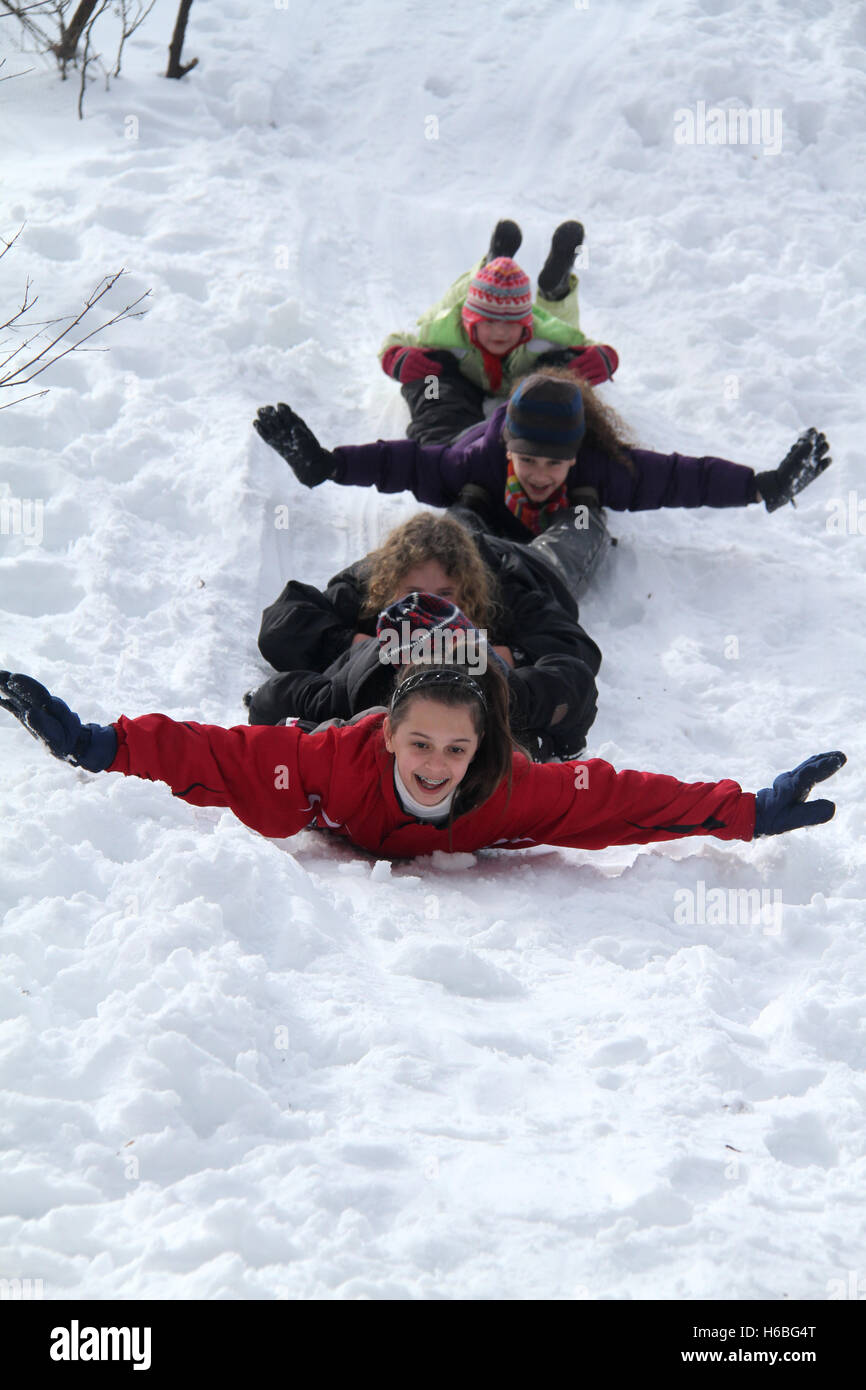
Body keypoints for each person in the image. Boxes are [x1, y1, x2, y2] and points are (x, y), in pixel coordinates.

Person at [0, 668, 844, 861]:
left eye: (456, 748)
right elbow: (215, 756)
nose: (437, 765)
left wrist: (752, 811)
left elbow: (619, 799)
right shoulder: (328, 760)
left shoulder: (508, 792)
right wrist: (94, 744)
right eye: (421, 744)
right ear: (389, 738)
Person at [253, 370, 833, 597]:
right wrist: (329, 464)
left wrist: (762, 485)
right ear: (508, 448)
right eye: (527, 461)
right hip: (480, 527)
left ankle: (532, 586)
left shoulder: (596, 468)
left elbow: (682, 476)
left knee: (583, 515)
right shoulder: (476, 459)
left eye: (553, 465)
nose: (538, 475)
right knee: (459, 514)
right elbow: (407, 463)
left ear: (574, 454)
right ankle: (453, 577)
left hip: (549, 553)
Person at [246, 511, 601, 760]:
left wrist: (500, 658)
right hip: (450, 538)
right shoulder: (374, 582)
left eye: (445, 596)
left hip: (534, 564)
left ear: (467, 594)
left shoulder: (505, 591)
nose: (428, 604)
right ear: (388, 588)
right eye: (412, 592)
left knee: (579, 528)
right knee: (467, 506)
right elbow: (283, 626)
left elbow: (575, 654)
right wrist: (362, 648)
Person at [379, 219, 619, 445]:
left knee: (563, 365)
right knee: (430, 380)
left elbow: (585, 346)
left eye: (511, 324)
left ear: (526, 325)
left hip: (530, 377)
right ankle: (447, 443)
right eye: (490, 323)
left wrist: (603, 359)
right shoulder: (444, 333)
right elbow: (399, 340)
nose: (500, 332)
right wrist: (397, 357)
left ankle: (555, 291)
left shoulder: (543, 335)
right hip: (458, 382)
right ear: (471, 322)